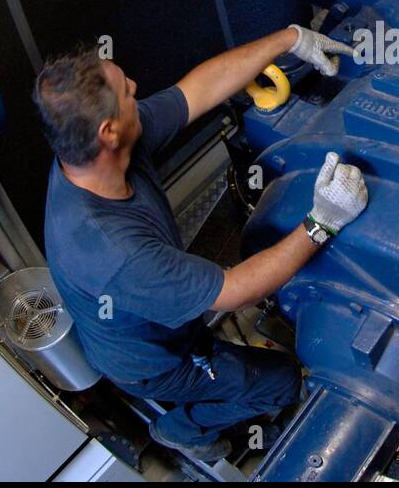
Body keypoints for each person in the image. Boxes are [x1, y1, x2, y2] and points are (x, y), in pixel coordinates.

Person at [32, 25, 367, 461]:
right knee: (281, 380)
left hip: (158, 312)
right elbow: (232, 292)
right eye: (126, 91)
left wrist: (289, 39)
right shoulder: (113, 251)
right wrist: (322, 223)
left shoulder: (98, 152)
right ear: (108, 133)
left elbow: (195, 91)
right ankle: (182, 429)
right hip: (158, 362)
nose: (135, 86)